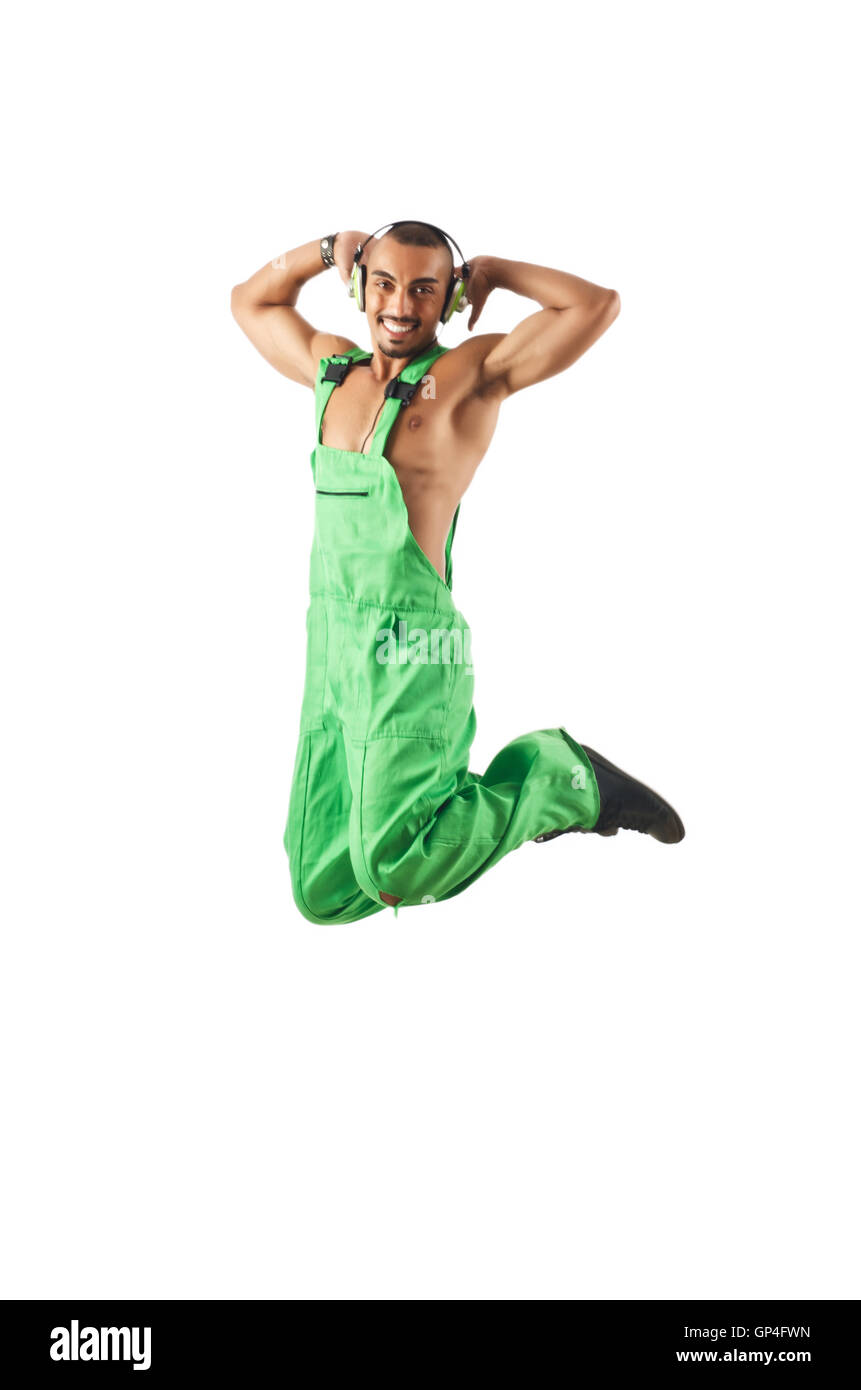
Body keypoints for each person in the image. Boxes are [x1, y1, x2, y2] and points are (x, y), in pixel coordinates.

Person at [230, 221, 684, 923]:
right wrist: (326, 249)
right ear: (360, 287)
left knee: (394, 864)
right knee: (321, 887)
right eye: (384, 283)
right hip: (333, 641)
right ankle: (441, 823)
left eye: (424, 289)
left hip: (412, 640)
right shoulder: (331, 368)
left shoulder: (470, 376)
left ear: (449, 299)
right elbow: (251, 301)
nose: (399, 305)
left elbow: (595, 305)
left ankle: (566, 780)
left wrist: (496, 271)